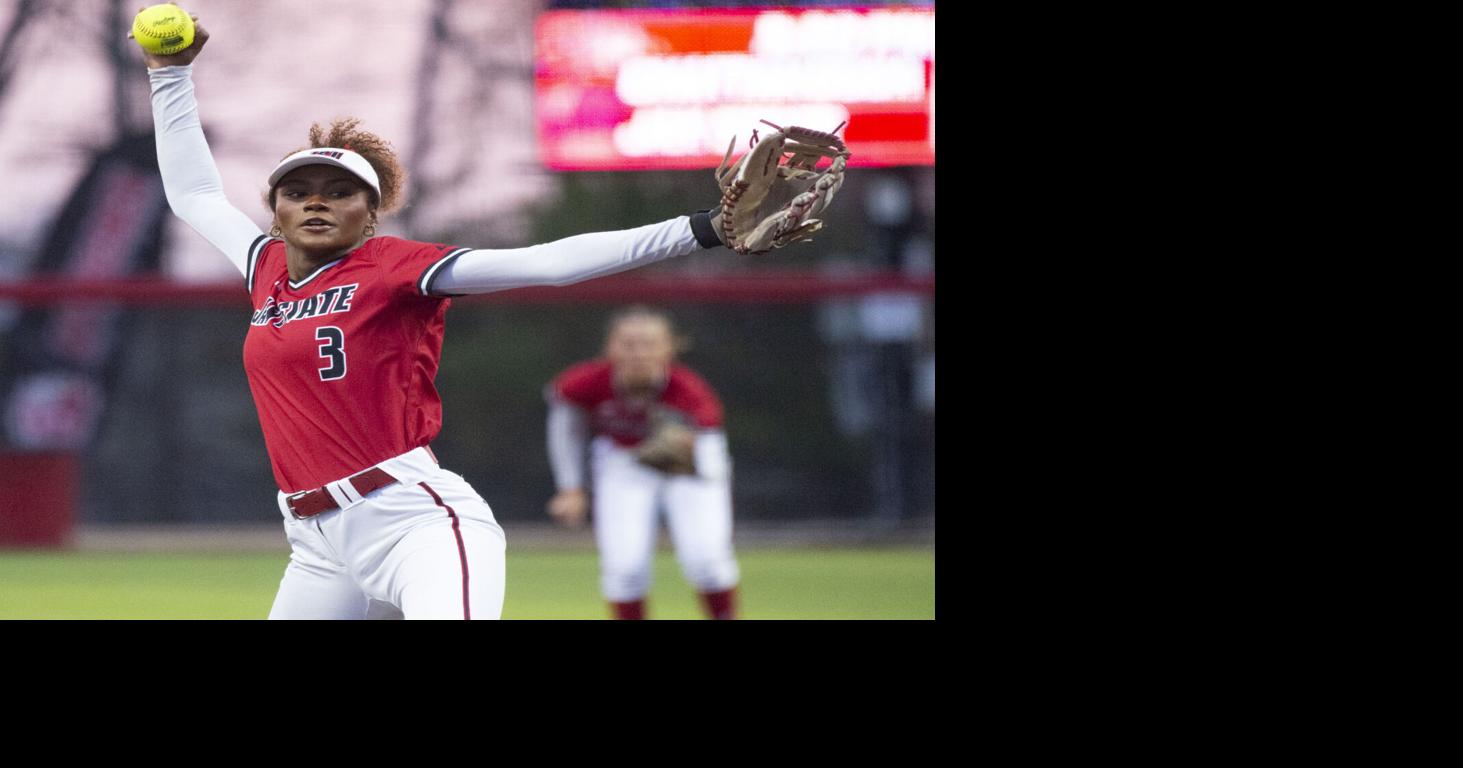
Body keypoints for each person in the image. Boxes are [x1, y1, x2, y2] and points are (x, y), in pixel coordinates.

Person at [138, 12, 731, 619]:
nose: (316, 199)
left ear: (370, 214)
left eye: (339, 191)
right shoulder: (263, 268)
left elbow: (547, 263)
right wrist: (170, 75)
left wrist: (704, 229)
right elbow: (195, 196)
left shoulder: (394, 267)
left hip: (416, 523)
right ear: (277, 211)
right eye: (298, 190)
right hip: (316, 545)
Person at [545, 307, 740, 620]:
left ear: (669, 349)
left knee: (706, 558)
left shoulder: (688, 391)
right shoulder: (588, 383)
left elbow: (706, 442)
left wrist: (685, 449)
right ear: (610, 347)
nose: (638, 353)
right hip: (625, 461)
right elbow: (565, 427)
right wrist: (570, 487)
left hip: (687, 468)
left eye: (649, 344)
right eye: (628, 343)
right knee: (624, 567)